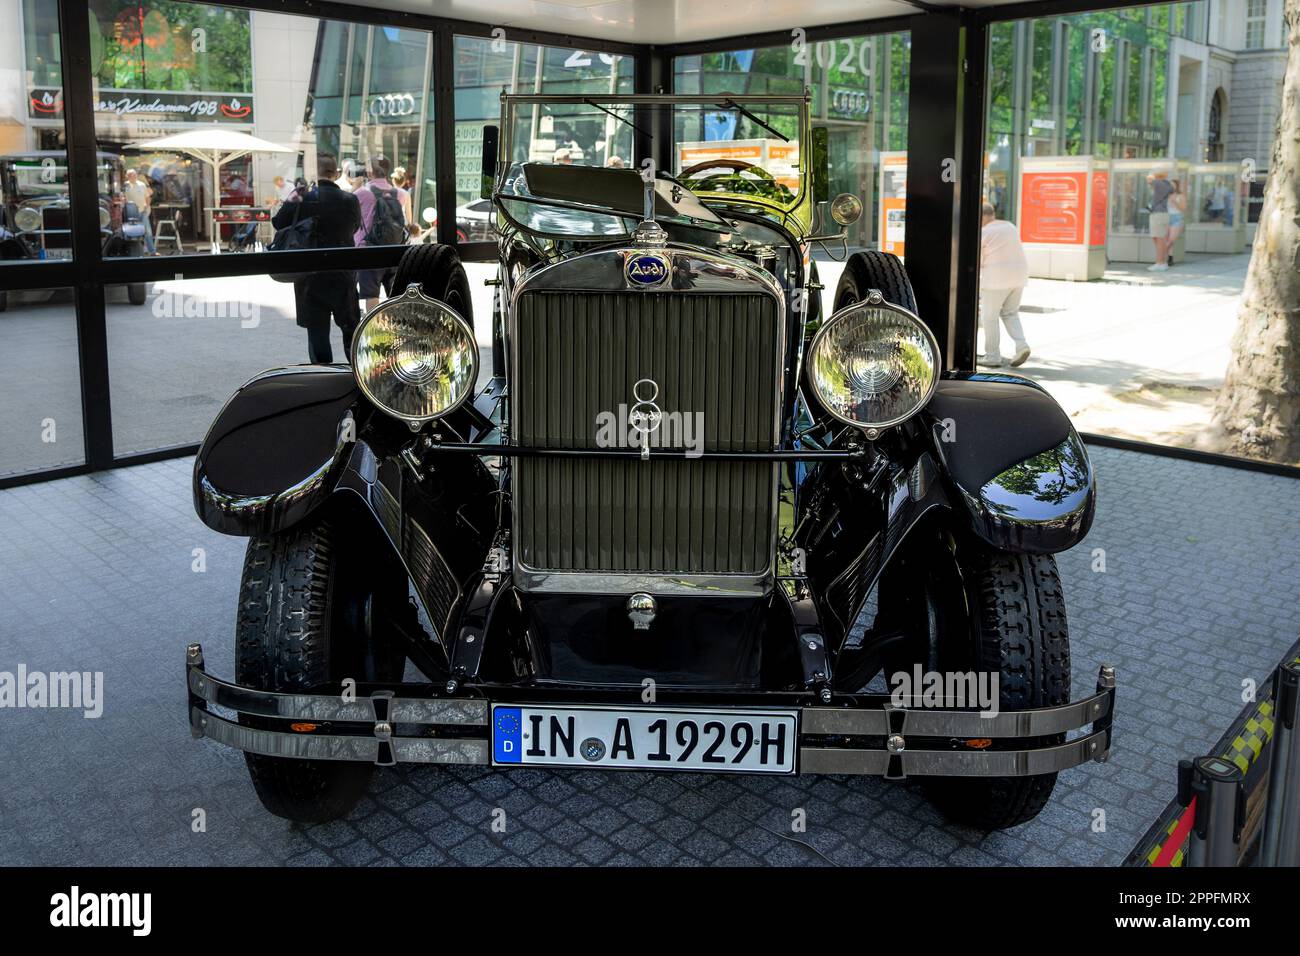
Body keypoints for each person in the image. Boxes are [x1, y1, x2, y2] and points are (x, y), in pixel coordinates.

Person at [273, 153, 362, 364]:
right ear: (336, 173)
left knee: (317, 333)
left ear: (313, 173)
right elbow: (355, 227)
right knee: (350, 328)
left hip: (310, 274)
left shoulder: (302, 196)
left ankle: (324, 375)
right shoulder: (350, 199)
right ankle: (355, 374)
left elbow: (278, 222)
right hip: (343, 273)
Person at [978, 201, 1031, 368]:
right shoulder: (1010, 226)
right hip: (1019, 277)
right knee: (1010, 313)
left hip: (997, 280)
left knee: (989, 317)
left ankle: (992, 356)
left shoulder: (984, 232)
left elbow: (977, 259)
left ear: (982, 217)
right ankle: (1021, 345)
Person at [353, 155, 409, 314]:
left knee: (371, 295)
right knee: (395, 294)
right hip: (395, 248)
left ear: (370, 172)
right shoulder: (401, 194)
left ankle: (375, 328)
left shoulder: (361, 193)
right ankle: (396, 326)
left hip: (369, 251)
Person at [123, 167, 156, 255]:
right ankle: (136, 252)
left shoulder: (142, 184)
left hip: (142, 211)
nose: (133, 176)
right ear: (127, 176)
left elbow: (148, 197)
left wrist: (147, 205)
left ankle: (152, 251)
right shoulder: (125, 186)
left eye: (134, 174)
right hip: (131, 213)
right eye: (130, 175)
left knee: (147, 231)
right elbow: (123, 198)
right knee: (133, 232)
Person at [1146, 170, 1174, 272]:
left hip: (1158, 214)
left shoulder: (1159, 183)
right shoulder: (1167, 184)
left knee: (1159, 239)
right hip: (1161, 214)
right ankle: (1161, 262)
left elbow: (1149, 178)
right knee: (1158, 239)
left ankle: (1160, 263)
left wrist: (1152, 174)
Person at [1165, 180, 1186, 268]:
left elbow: (1183, 208)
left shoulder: (1180, 196)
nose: (1172, 187)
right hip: (1166, 217)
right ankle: (1170, 258)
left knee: (1171, 239)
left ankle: (1161, 254)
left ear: (1177, 186)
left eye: (1173, 185)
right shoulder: (1166, 195)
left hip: (1177, 218)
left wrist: (1175, 202)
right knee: (1167, 239)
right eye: (1170, 185)